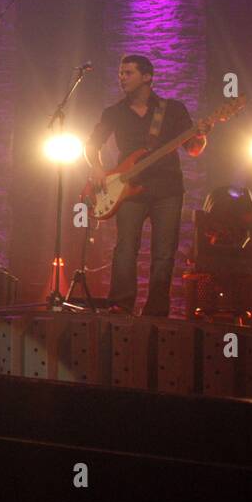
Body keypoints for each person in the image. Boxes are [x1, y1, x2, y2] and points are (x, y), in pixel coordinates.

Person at [85, 55, 206, 316]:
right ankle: (121, 304)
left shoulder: (173, 109)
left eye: (128, 73)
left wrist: (202, 134)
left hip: (167, 190)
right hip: (128, 189)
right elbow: (92, 144)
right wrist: (96, 166)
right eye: (120, 73)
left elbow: (193, 148)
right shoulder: (114, 112)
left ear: (147, 77)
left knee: (164, 253)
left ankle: (156, 311)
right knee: (126, 248)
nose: (122, 78)